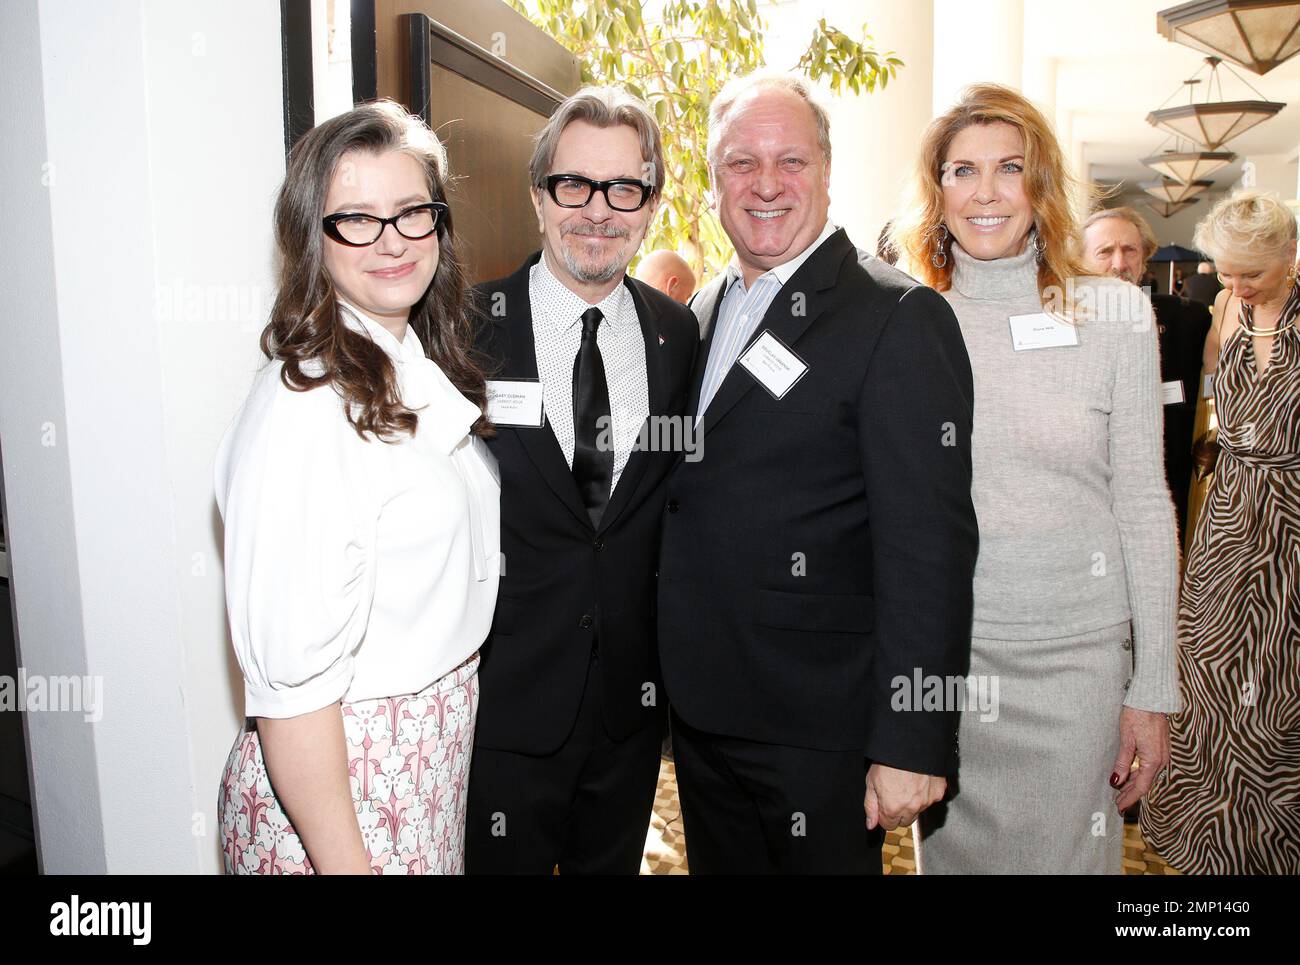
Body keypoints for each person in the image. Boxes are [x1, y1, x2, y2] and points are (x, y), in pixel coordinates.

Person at [658, 71, 978, 875]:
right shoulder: (704, 308)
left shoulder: (898, 316)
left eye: (791, 161)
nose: (766, 184)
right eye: (741, 162)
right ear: (712, 176)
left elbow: (930, 547)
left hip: (821, 729)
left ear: (828, 172)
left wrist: (915, 734)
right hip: (706, 715)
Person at [892, 84, 1180, 874]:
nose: (986, 192)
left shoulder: (1115, 316)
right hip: (949, 658)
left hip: (1076, 662)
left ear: (1041, 184)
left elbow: (1145, 505)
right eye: (962, 170)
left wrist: (1153, 684)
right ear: (936, 189)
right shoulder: (908, 318)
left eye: (1010, 168)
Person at [215, 101, 501, 875]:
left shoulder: (405, 360)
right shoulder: (305, 410)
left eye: (413, 212)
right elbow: (296, 694)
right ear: (313, 236)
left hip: (418, 779)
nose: (393, 241)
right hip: (343, 804)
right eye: (357, 220)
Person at [465, 87, 697, 875]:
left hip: (629, 717)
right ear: (538, 195)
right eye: (574, 185)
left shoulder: (677, 335)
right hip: (502, 709)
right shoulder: (465, 330)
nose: (598, 210)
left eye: (623, 188)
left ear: (650, 203)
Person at [1142, 189, 1300, 873]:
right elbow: (1208, 401)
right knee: (1209, 672)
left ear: (1290, 254)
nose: (1236, 285)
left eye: (1253, 273)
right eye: (1227, 271)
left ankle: (1272, 844)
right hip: (1231, 513)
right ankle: (1209, 838)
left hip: (1292, 517)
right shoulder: (1227, 307)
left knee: (1280, 681)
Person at [1081, 207, 1211, 542]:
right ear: (1080, 258)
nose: (1118, 264)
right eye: (1105, 251)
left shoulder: (1188, 321)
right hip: (1087, 498)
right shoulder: (1060, 324)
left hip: (1167, 490)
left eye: (1130, 250)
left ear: (1146, 257)